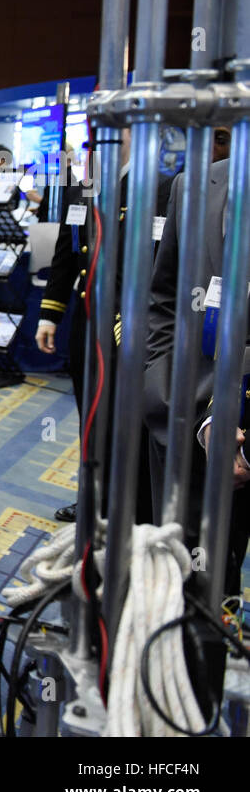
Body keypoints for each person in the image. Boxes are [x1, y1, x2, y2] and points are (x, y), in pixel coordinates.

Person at [37, 127, 168, 523]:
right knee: (90, 411)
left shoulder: (160, 187)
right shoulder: (85, 187)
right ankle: (92, 496)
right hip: (86, 321)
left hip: (133, 326)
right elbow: (66, 251)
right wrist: (50, 313)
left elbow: (164, 267)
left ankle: (130, 507)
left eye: (118, 129)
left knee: (130, 419)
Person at [145, 155, 249, 599]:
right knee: (184, 577)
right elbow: (164, 296)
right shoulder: (194, 184)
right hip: (182, 418)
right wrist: (162, 386)